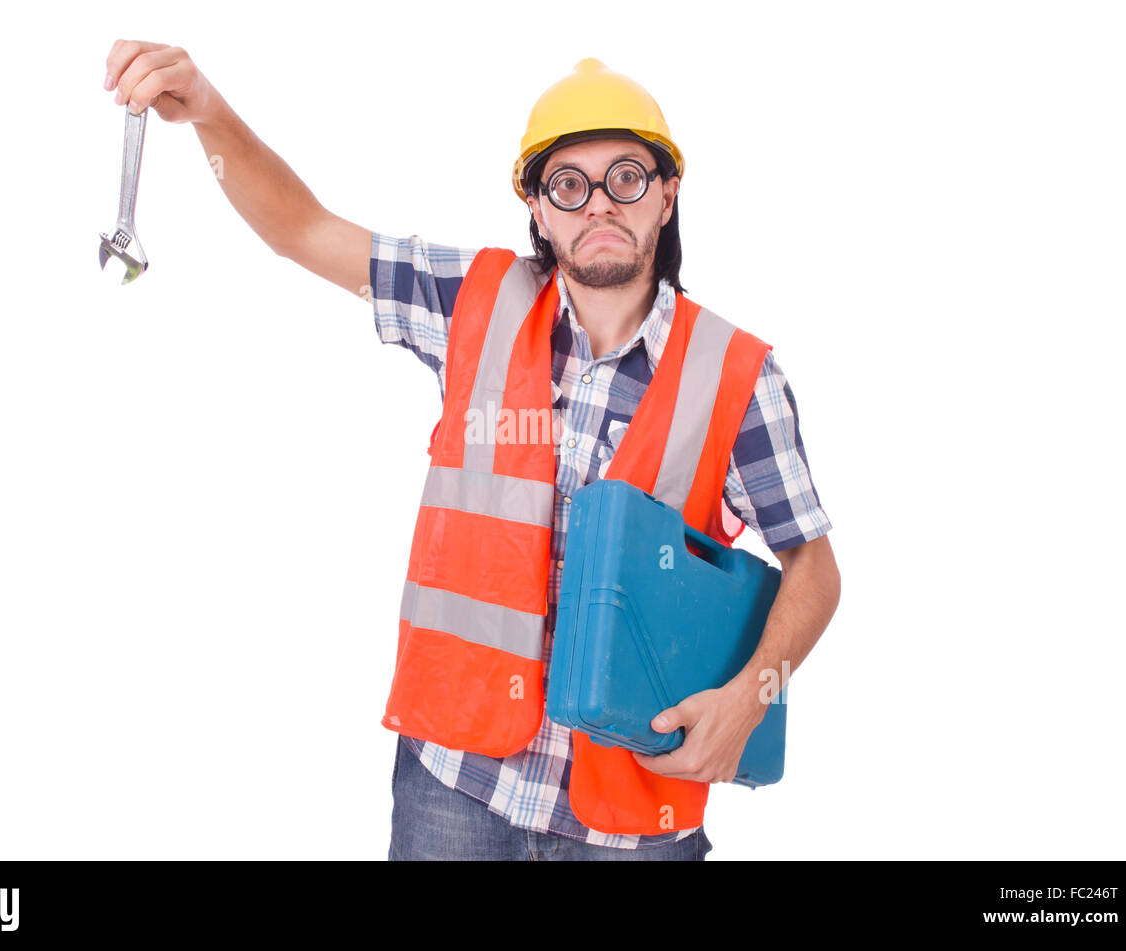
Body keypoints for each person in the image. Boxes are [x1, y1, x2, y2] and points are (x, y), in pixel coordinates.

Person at [101, 43, 842, 861]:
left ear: (667, 196)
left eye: (626, 177)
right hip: (454, 785)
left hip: (632, 819)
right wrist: (209, 109)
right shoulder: (475, 306)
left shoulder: (740, 376)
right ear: (537, 206)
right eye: (569, 184)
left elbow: (814, 566)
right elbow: (304, 230)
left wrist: (751, 695)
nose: (599, 205)